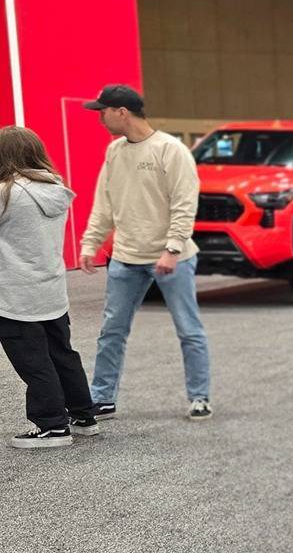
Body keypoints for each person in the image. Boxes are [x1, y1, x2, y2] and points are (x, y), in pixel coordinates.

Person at [77, 84, 213, 421]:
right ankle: (103, 397)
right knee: (112, 331)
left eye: (102, 111)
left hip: (171, 259)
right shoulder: (114, 152)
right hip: (125, 258)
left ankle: (200, 397)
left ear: (122, 112)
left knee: (188, 329)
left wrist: (172, 249)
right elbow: (104, 203)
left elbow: (185, 204)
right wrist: (90, 242)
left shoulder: (171, 150)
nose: (99, 118)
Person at [0, 127, 99, 448]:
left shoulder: (6, 193)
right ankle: (83, 415)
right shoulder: (55, 188)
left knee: (33, 360)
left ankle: (52, 425)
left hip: (14, 293)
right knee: (62, 354)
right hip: (51, 288)